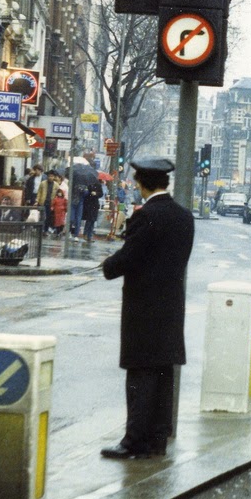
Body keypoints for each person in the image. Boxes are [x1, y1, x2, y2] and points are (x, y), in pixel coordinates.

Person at [100, 157, 194, 459]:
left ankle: (133, 441)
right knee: (164, 374)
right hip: (171, 307)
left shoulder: (146, 215)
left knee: (140, 375)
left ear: (142, 184)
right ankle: (157, 440)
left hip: (143, 309)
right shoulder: (184, 217)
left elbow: (130, 257)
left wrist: (108, 265)